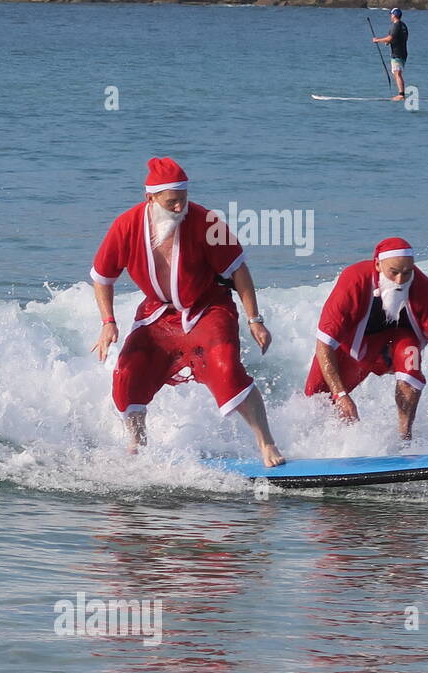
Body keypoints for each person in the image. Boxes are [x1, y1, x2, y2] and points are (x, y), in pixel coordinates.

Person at [90, 157, 285, 466]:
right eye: (172, 203)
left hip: (208, 307)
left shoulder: (206, 222)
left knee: (226, 369)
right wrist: (108, 322)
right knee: (126, 374)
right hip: (158, 313)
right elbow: (101, 278)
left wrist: (255, 320)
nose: (180, 208)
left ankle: (267, 443)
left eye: (183, 199)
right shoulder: (126, 226)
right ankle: (137, 445)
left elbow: (239, 272)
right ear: (150, 199)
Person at [305, 237, 428, 439]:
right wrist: (340, 395)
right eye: (394, 272)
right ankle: (316, 443)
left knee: (411, 360)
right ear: (377, 264)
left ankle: (405, 439)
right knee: (315, 401)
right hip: (351, 348)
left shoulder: (421, 286)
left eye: (407, 273)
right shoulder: (354, 280)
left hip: (394, 344)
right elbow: (324, 344)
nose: (400, 280)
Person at [372, 7, 408, 101]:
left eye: (391, 14)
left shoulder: (396, 25)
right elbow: (397, 38)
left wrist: (377, 40)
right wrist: (389, 41)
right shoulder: (403, 25)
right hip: (402, 52)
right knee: (396, 73)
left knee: (397, 73)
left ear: (394, 15)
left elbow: (390, 38)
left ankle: (401, 95)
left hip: (398, 53)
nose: (390, 16)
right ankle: (401, 94)